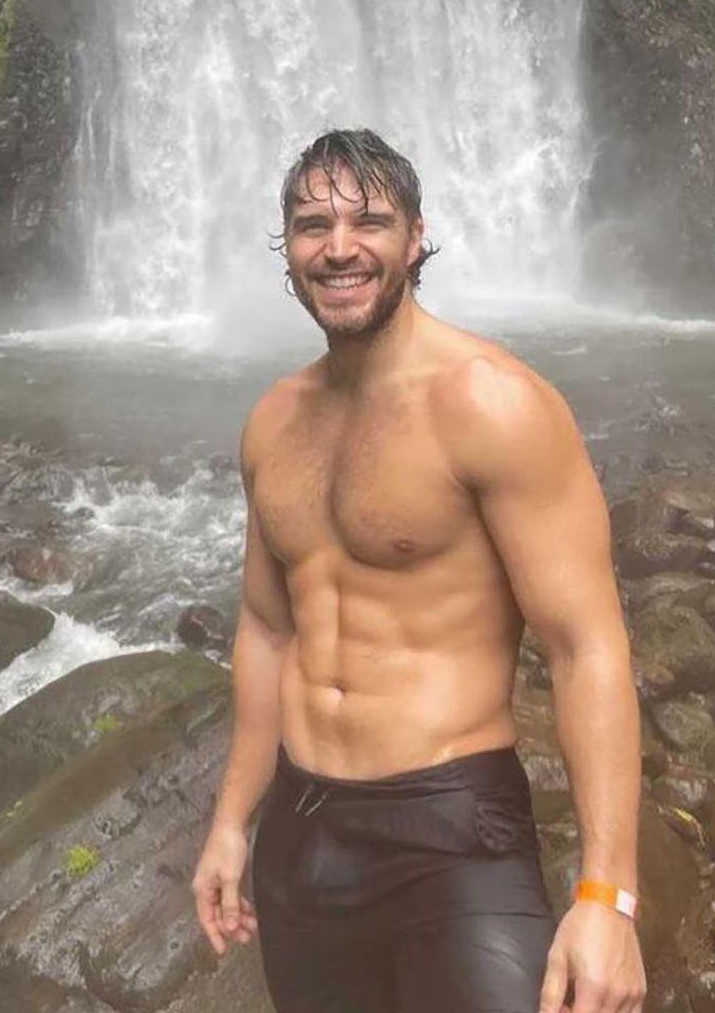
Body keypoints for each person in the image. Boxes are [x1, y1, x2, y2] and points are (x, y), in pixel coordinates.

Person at [189, 129, 647, 1013]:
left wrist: (607, 898)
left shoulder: (491, 402)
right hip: (303, 832)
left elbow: (587, 647)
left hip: (451, 835)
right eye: (313, 224)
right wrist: (230, 823)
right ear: (287, 250)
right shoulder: (272, 424)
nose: (340, 246)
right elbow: (267, 628)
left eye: (370, 221)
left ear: (416, 237)